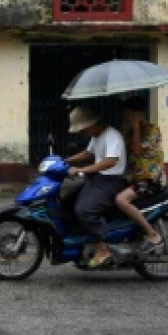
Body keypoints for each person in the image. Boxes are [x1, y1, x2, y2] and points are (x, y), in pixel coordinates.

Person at [64, 106, 128, 268]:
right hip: (98, 179)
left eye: (83, 129)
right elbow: (88, 153)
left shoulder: (111, 135)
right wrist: (65, 161)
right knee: (68, 201)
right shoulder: (97, 134)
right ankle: (84, 239)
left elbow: (110, 162)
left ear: (92, 123)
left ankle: (102, 248)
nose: (82, 133)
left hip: (111, 181)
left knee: (85, 210)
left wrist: (81, 169)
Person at [115, 97, 165, 253]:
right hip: (134, 178)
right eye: (127, 113)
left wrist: (136, 126)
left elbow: (137, 150)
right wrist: (127, 128)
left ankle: (152, 235)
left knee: (121, 200)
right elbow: (120, 147)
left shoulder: (153, 130)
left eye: (130, 113)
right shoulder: (129, 130)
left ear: (140, 113)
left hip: (150, 179)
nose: (128, 116)